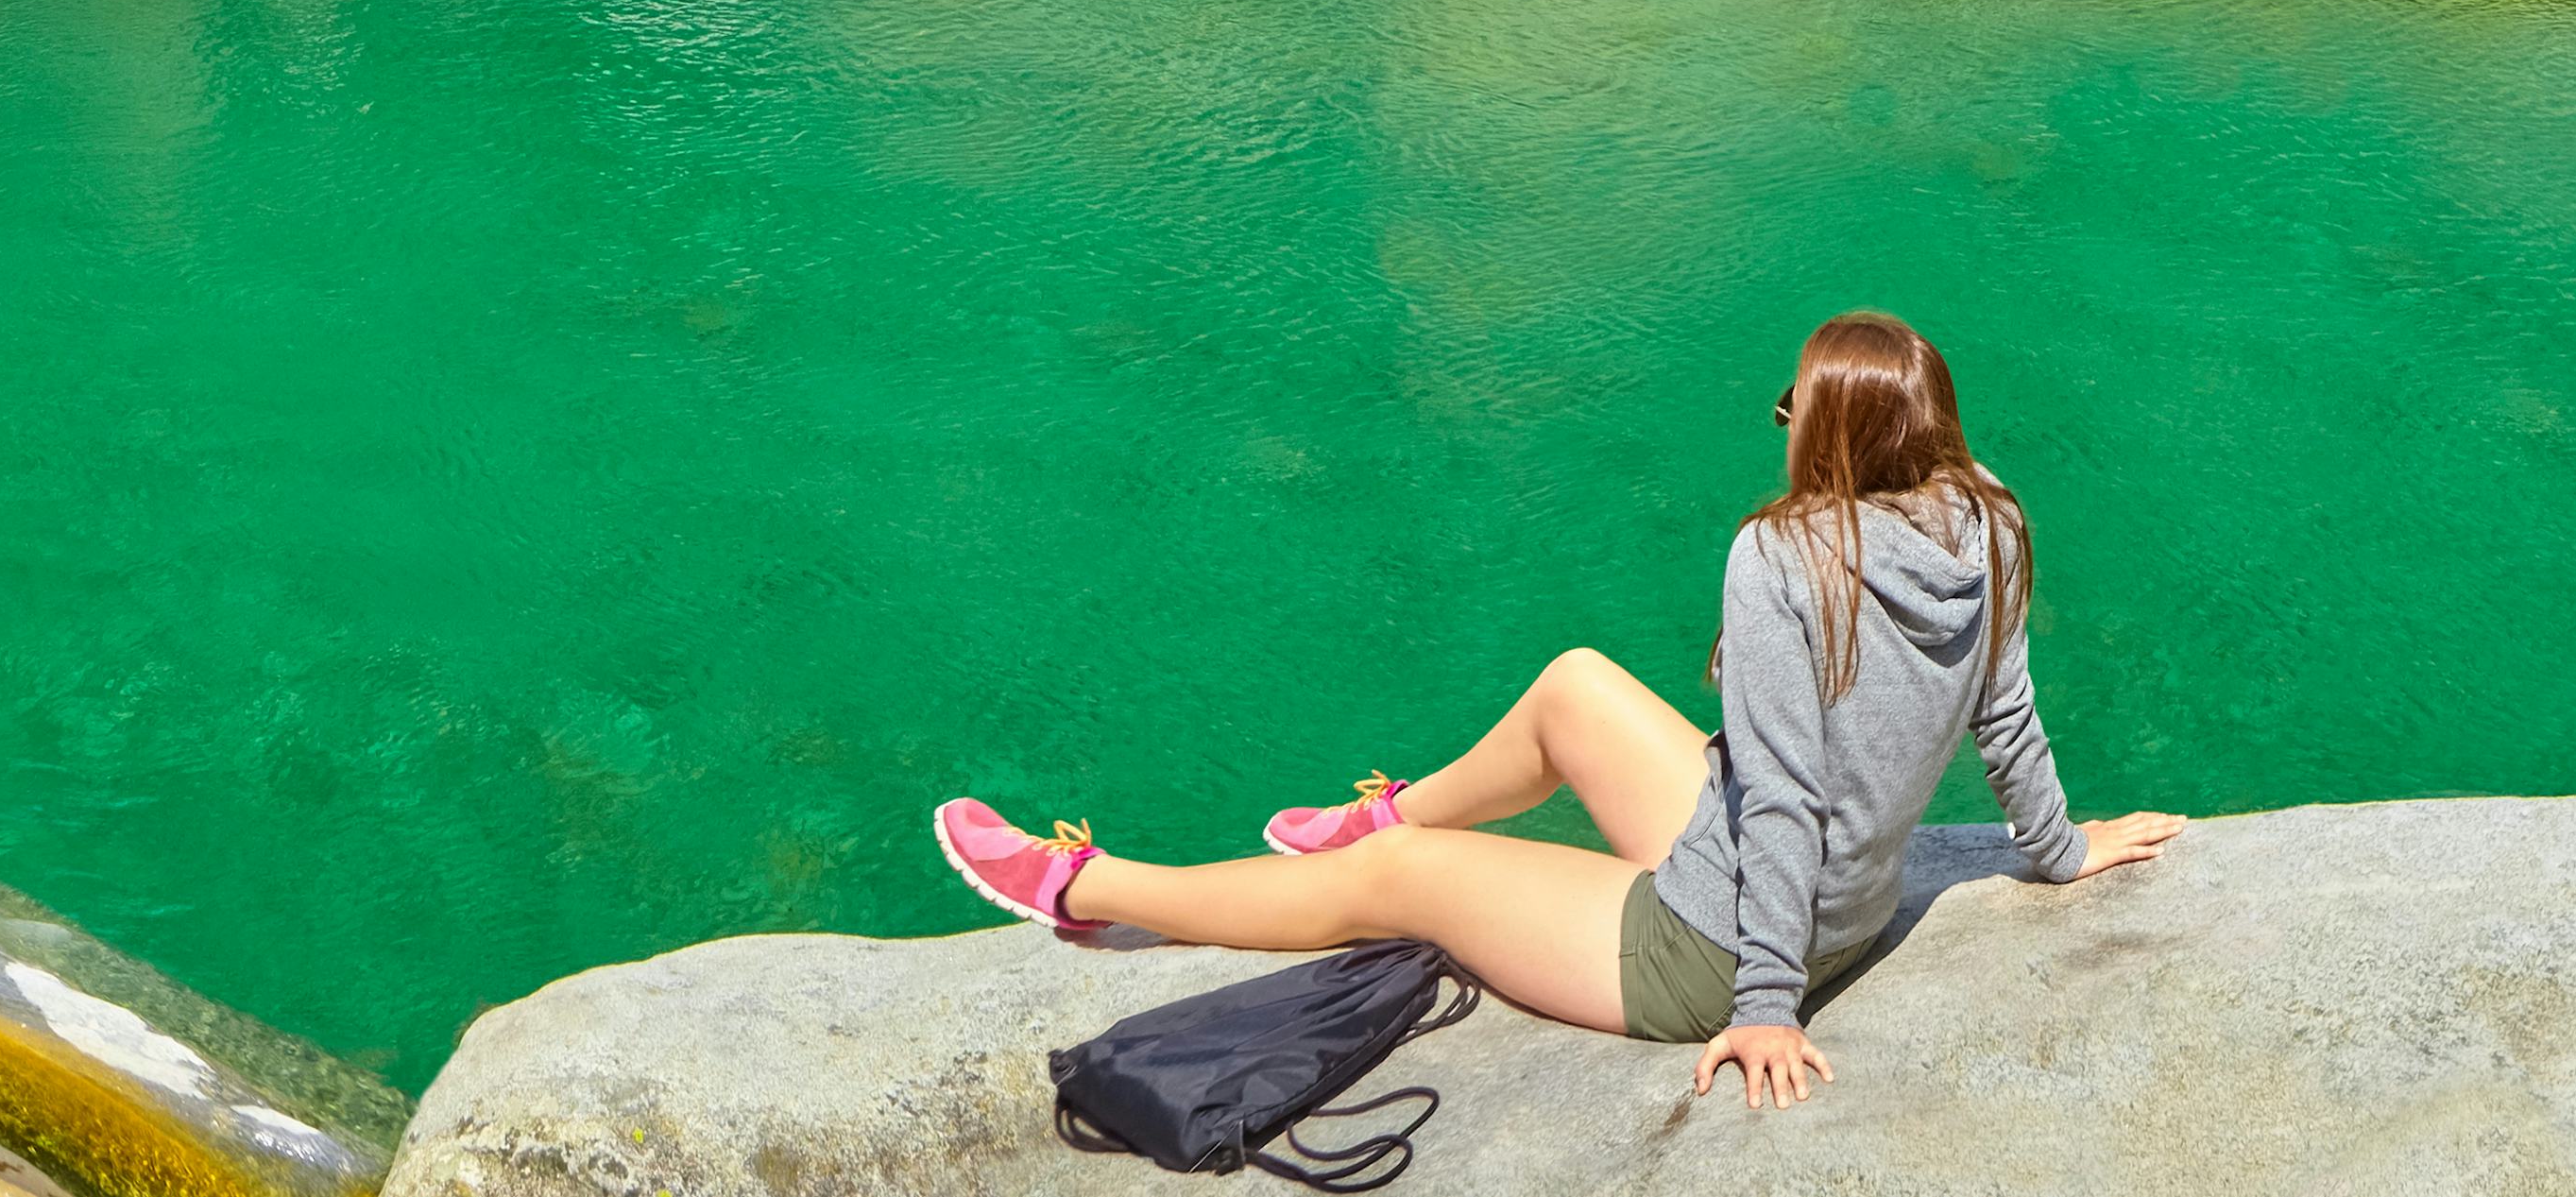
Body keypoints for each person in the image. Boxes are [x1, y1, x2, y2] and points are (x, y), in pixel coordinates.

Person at [927, 316, 2191, 1108]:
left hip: (1711, 947)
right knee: (1576, 681)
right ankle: (1371, 817)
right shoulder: (1991, 518)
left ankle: (1085, 885)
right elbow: (2007, 721)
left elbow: (1796, 797)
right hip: (1812, 897)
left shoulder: (1781, 556)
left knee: (1415, 881)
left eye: (1789, 415)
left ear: (1833, 442)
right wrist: (2063, 849)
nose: (1781, 431)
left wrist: (1760, 1006)